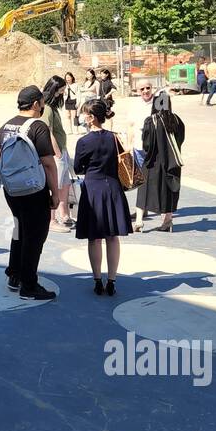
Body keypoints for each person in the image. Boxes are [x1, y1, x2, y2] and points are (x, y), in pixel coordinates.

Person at [0, 86, 60, 301]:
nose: (43, 106)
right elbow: (48, 164)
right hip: (33, 188)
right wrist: (56, 193)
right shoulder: (38, 126)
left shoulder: (6, 126)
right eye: (42, 102)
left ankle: (14, 274)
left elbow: (0, 157)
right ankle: (29, 286)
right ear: (35, 104)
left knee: (20, 228)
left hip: (12, 188)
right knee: (35, 235)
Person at [73, 98, 132, 296]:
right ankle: (112, 280)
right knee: (112, 237)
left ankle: (97, 280)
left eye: (84, 114)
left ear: (90, 118)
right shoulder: (114, 138)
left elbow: (77, 168)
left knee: (94, 238)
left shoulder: (83, 142)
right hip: (113, 188)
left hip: (92, 189)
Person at [134, 90, 185, 234]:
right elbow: (180, 140)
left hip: (154, 161)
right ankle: (167, 221)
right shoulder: (176, 120)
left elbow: (147, 144)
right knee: (168, 190)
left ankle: (139, 221)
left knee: (143, 189)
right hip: (172, 161)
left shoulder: (151, 120)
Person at [41, 76, 73, 232]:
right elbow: (48, 131)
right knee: (55, 185)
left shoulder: (52, 106)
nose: (63, 92)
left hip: (62, 149)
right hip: (56, 152)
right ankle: (51, 219)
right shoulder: (47, 107)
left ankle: (64, 214)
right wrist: (58, 153)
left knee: (65, 183)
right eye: (61, 89)